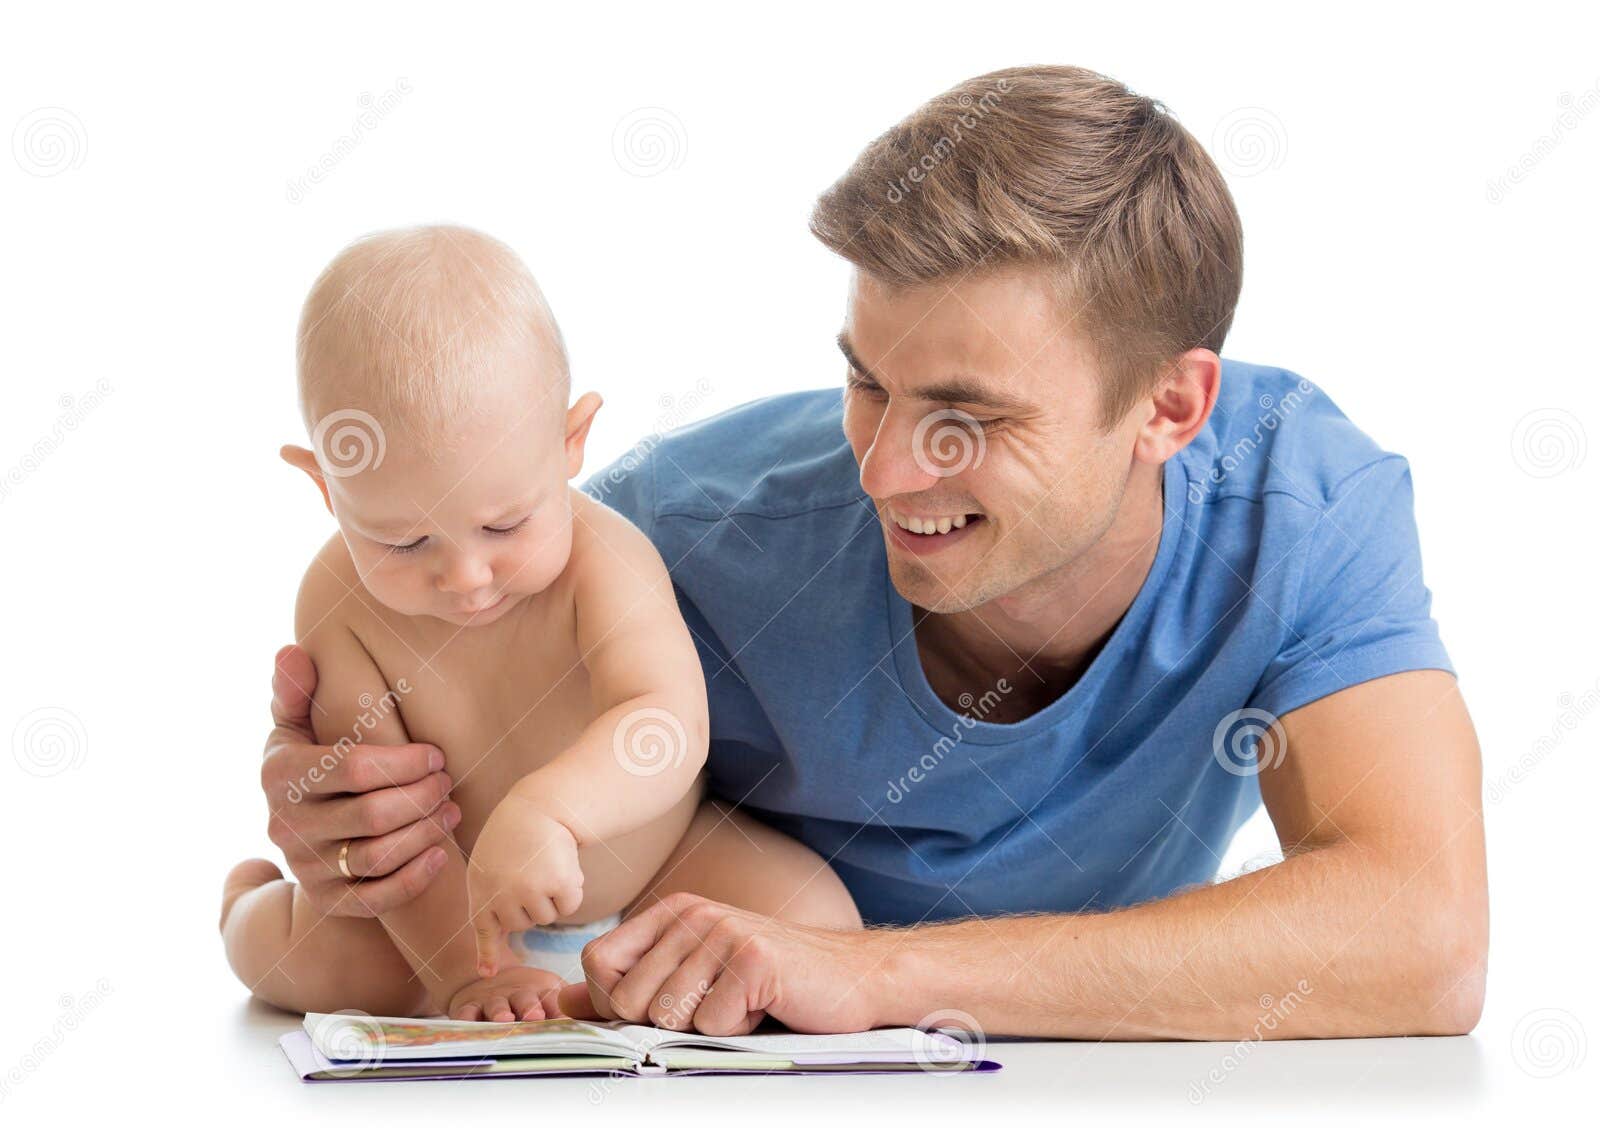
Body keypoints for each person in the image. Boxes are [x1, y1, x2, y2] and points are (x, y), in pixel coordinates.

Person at [256, 67, 1486, 1040]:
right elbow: (434, 631)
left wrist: (875, 974)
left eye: (964, 417)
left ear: (1170, 407)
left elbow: (1424, 939)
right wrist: (354, 819)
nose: (885, 470)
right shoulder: (672, 538)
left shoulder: (1300, 507)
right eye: (865, 383)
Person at [223, 224, 858, 1023]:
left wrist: (553, 809)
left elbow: (666, 722)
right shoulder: (336, 601)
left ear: (569, 443)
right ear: (326, 484)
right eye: (404, 541)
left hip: (658, 869)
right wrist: (466, 973)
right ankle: (244, 904)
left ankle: (611, 968)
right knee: (309, 959)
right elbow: (390, 819)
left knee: (816, 925)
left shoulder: (607, 559)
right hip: (453, 905)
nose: (465, 576)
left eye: (505, 524)